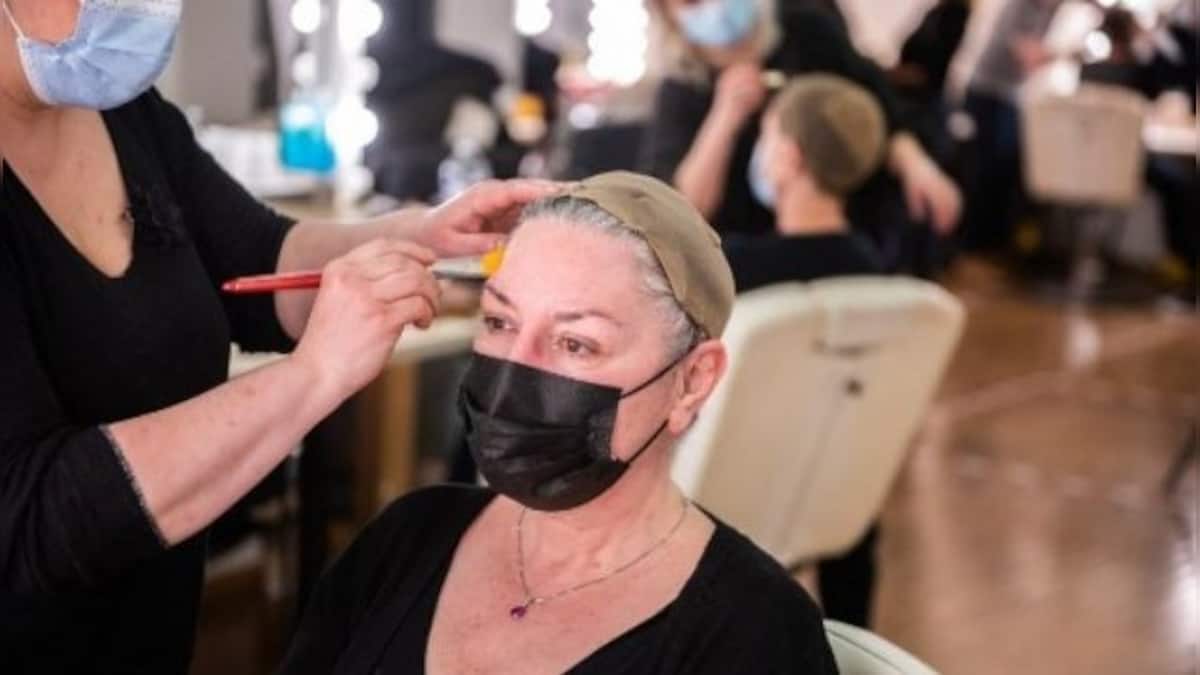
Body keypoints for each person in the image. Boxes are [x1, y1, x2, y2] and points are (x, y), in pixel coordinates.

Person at [0, 1, 554, 672]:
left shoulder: (126, 115)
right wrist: (313, 376)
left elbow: (260, 261)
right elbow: (29, 516)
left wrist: (423, 236)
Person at [280, 172, 838, 674]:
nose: (513, 372)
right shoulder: (406, 538)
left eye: (576, 343)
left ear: (692, 380)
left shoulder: (757, 633)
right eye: (500, 321)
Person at [723, 74, 886, 627]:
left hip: (732, 486)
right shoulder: (875, 271)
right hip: (838, 490)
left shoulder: (738, 269)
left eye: (767, 136)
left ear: (788, 157)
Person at [639, 0, 961, 268]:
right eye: (693, 1)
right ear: (667, 14)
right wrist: (724, 118)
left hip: (843, 242)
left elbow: (881, 107)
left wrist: (917, 164)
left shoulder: (808, 29)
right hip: (751, 260)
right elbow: (680, 213)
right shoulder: (681, 93)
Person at [961, 0, 1063, 251]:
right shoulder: (1019, 6)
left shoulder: (1051, 12)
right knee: (984, 166)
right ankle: (970, 238)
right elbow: (1025, 54)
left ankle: (992, 239)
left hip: (1011, 95)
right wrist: (1060, 53)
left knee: (1007, 167)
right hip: (986, 91)